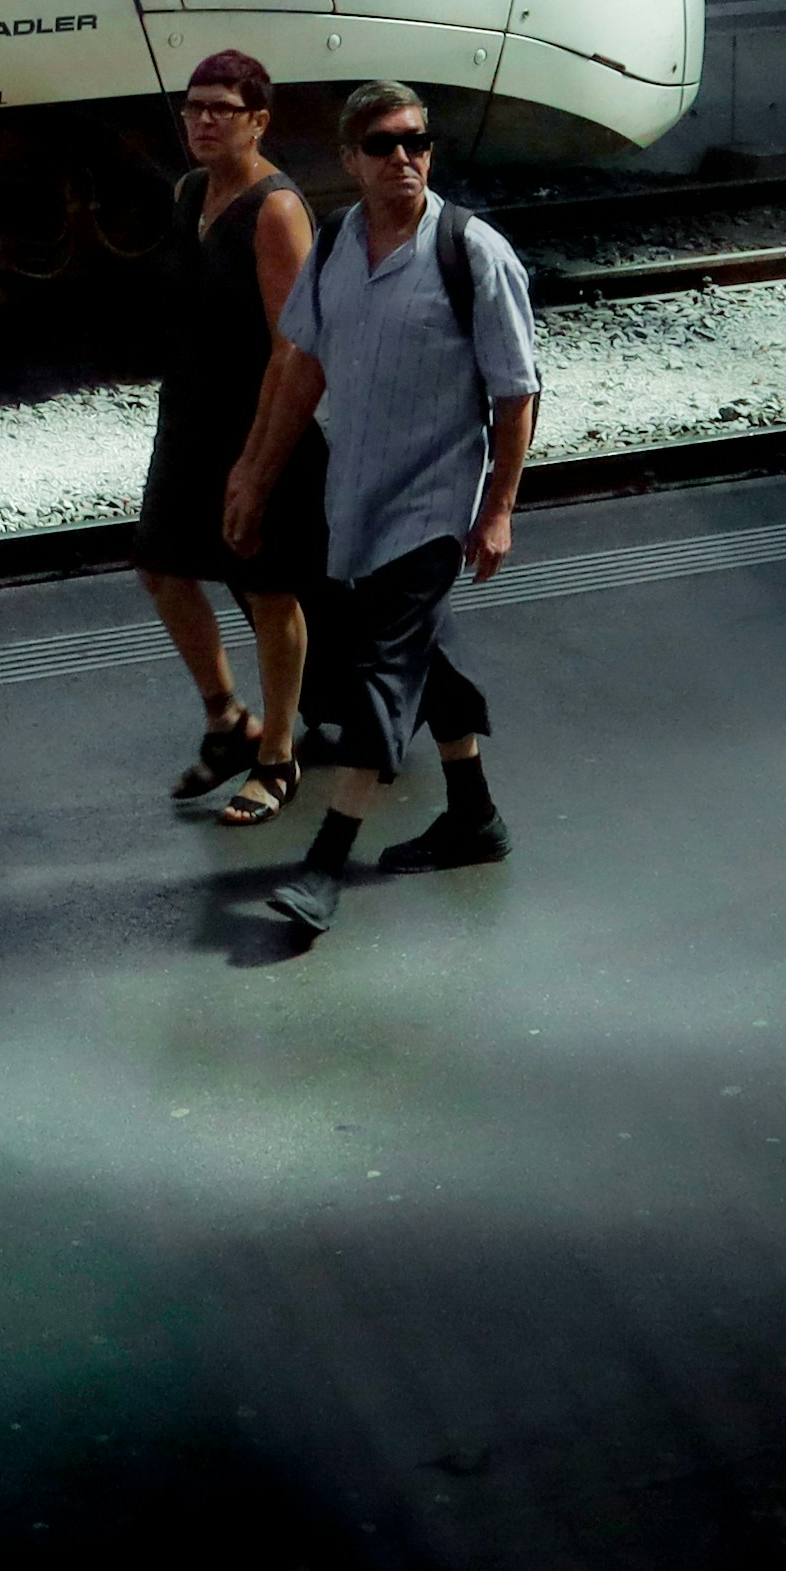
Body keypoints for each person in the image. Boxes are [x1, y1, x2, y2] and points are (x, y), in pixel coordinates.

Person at [216, 80, 540, 941]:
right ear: (351, 160)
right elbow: (303, 369)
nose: (406, 158)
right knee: (422, 654)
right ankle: (473, 818)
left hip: (436, 503)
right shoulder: (334, 243)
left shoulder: (474, 253)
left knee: (383, 670)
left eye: (419, 142)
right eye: (385, 145)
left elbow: (516, 395)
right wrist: (258, 471)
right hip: (355, 493)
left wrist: (498, 509)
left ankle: (324, 866)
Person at [132, 53, 323, 823]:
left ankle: (278, 757)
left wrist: (255, 464)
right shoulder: (189, 193)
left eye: (222, 109)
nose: (204, 121)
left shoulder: (276, 211)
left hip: (260, 427)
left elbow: (294, 347)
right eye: (193, 108)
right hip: (189, 419)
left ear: (258, 120)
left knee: (267, 587)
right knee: (162, 566)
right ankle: (226, 719)